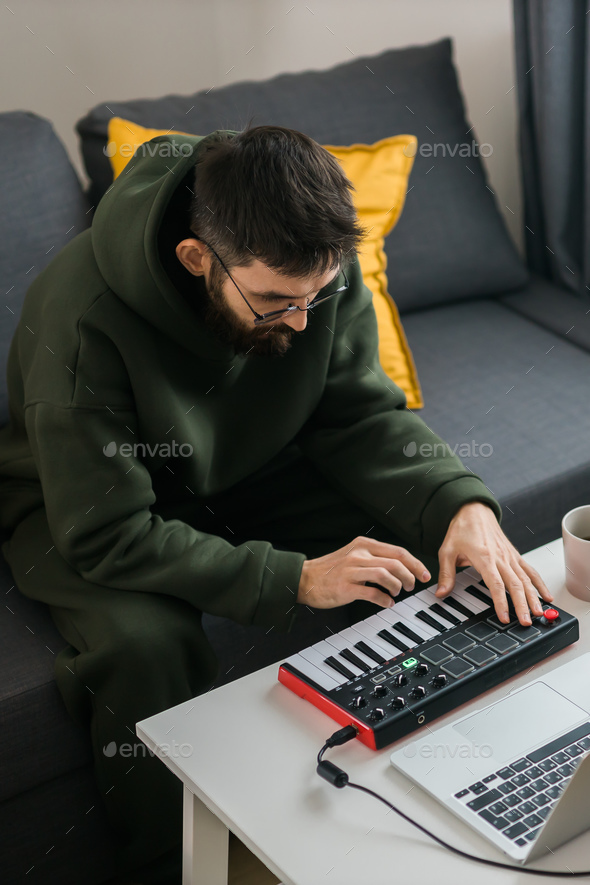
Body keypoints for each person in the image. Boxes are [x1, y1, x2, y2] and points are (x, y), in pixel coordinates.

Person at [0, 125, 553, 884]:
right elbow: (107, 534)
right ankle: (171, 863)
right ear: (196, 259)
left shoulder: (312, 259)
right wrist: (292, 577)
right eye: (273, 303)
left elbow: (356, 415)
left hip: (251, 466)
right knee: (143, 649)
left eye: (314, 297)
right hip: (87, 507)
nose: (300, 322)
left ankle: (444, 787)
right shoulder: (78, 314)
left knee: (424, 556)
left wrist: (462, 505)